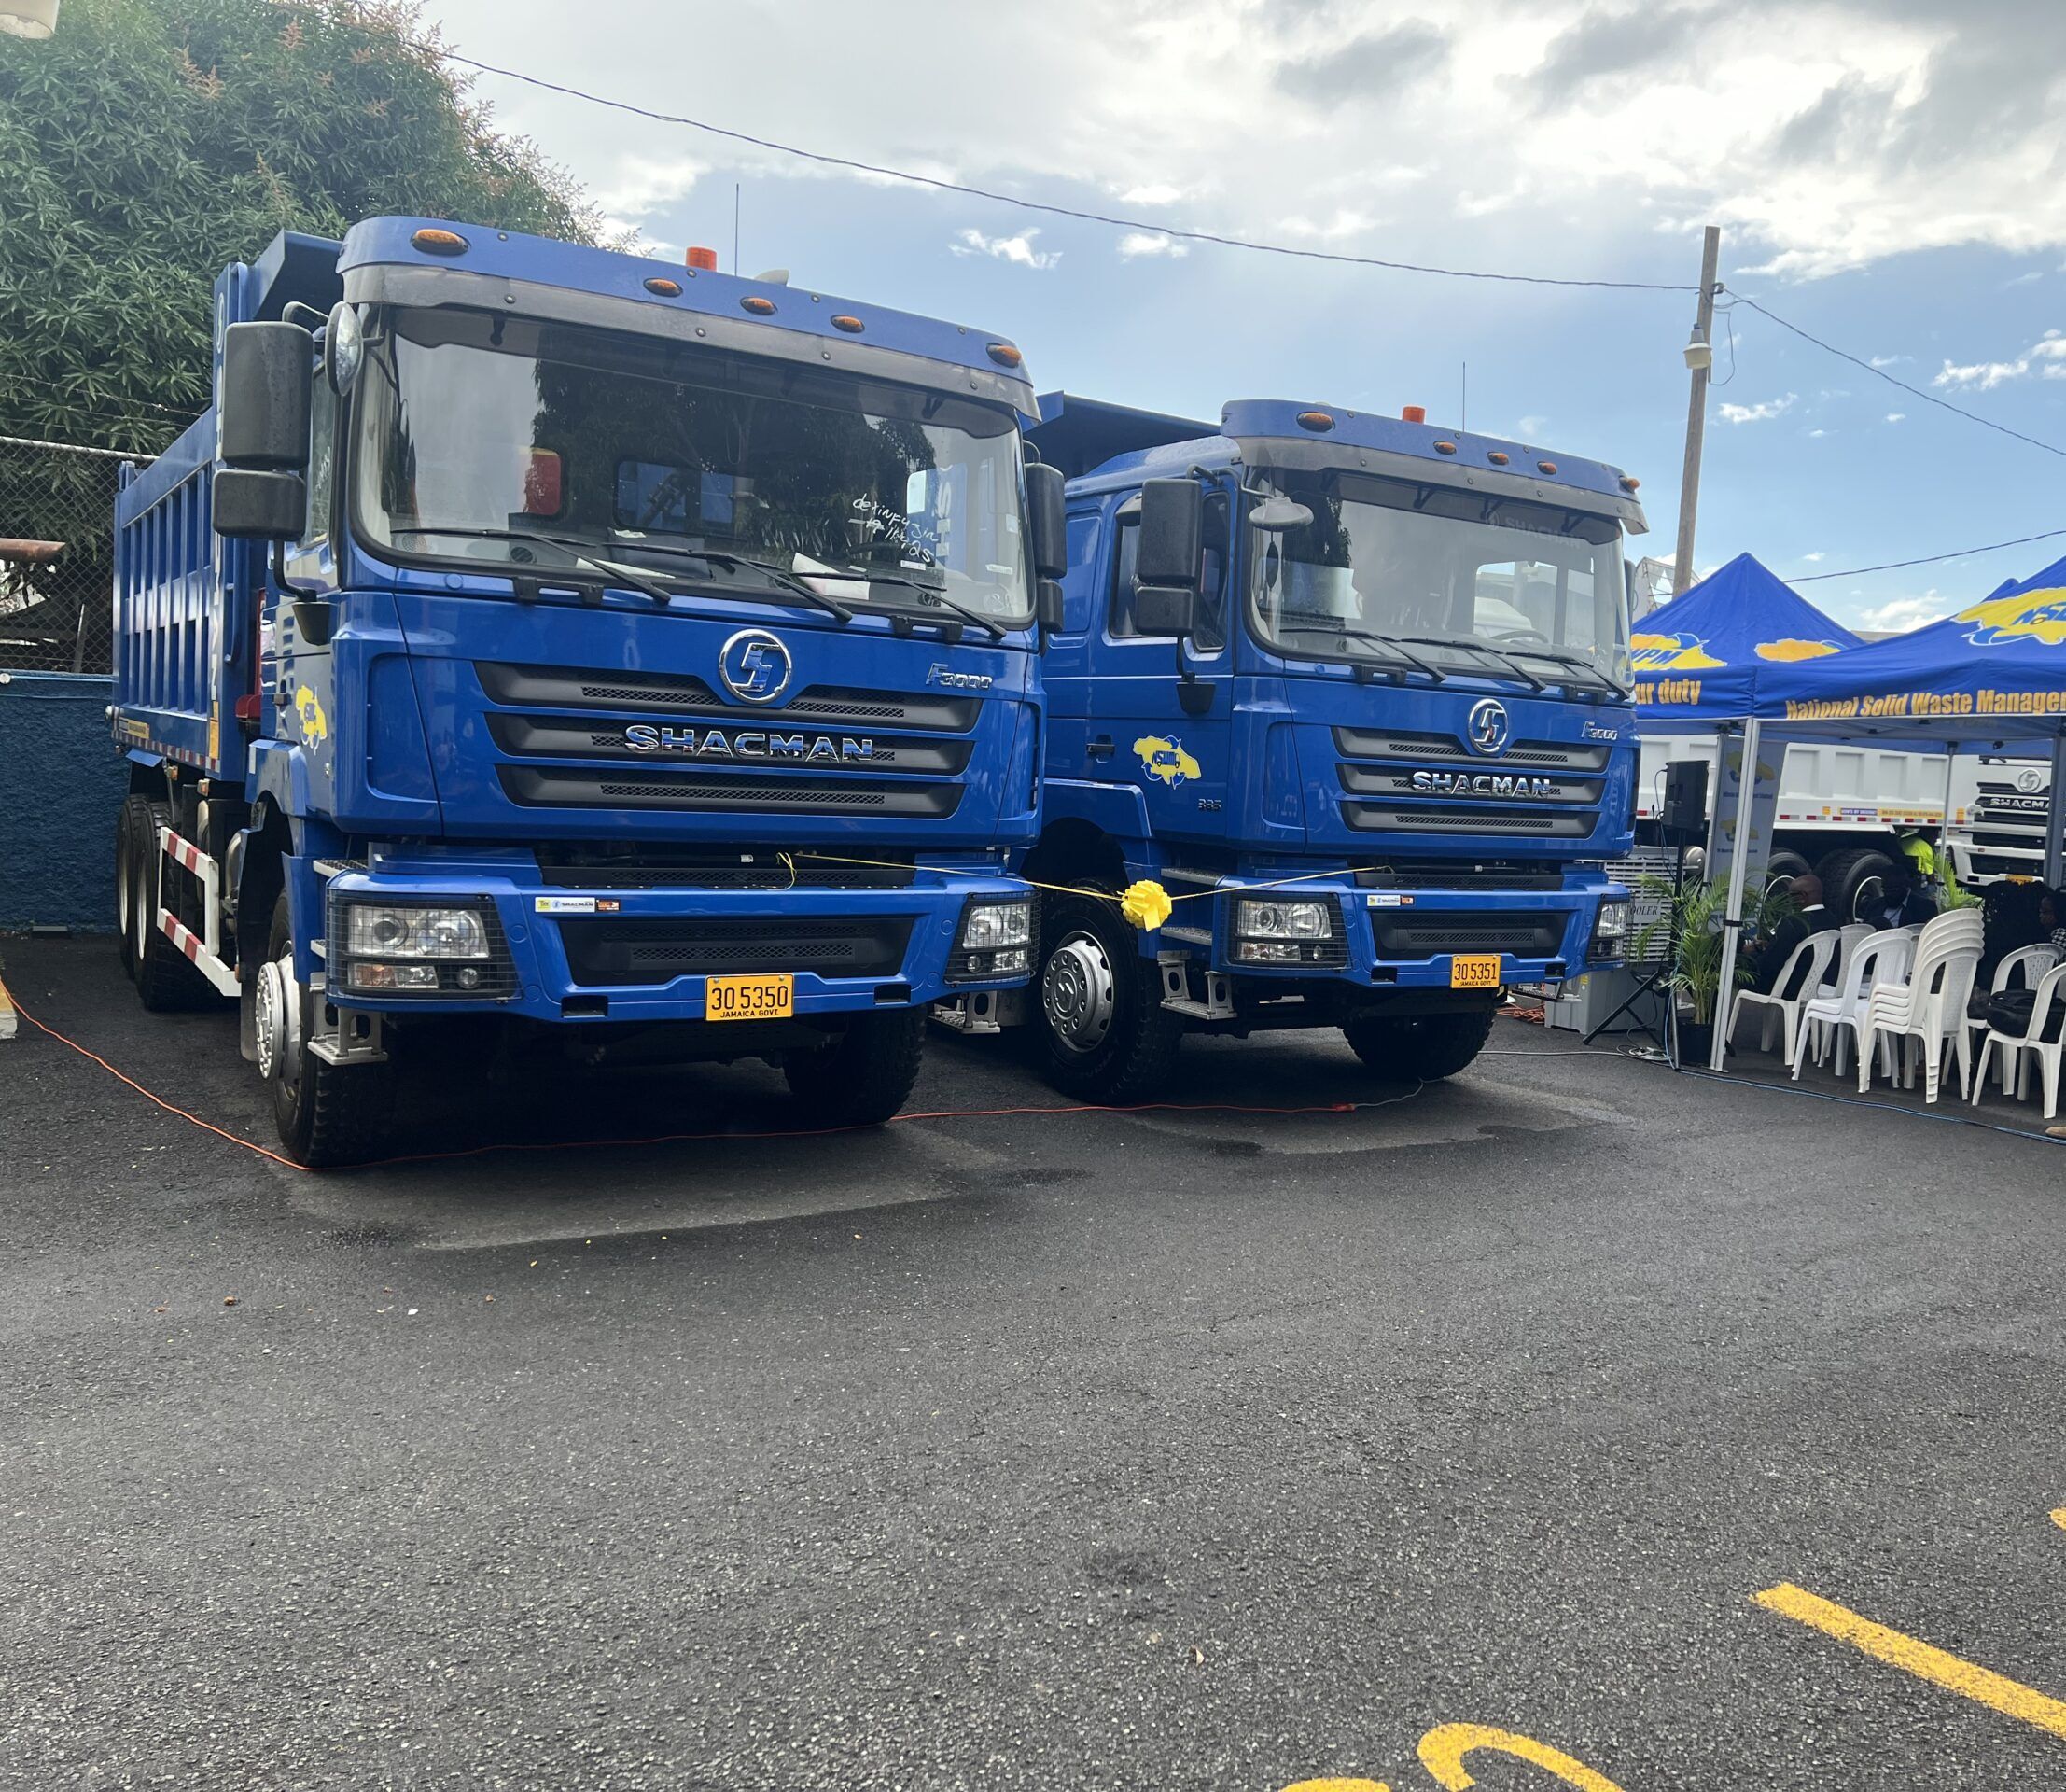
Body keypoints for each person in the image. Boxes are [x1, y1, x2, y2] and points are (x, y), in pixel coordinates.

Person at [1744, 874, 1836, 997]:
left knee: (1729, 967)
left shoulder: (1794, 922)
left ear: (1803, 896)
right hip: (1809, 987)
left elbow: (1769, 965)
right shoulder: (1832, 920)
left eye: (1790, 896)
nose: (1788, 901)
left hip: (1782, 987)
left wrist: (1752, 952)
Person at [1871, 861, 1937, 929]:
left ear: (1905, 887)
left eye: (1893, 891)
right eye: (1885, 890)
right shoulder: (1874, 905)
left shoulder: (1925, 907)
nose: (1888, 894)